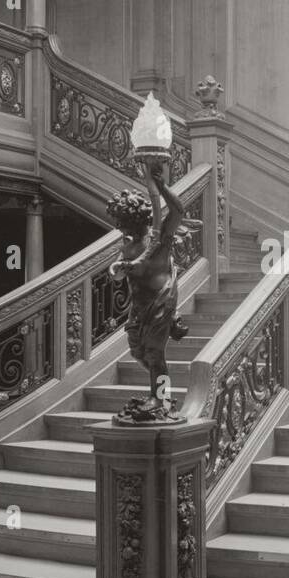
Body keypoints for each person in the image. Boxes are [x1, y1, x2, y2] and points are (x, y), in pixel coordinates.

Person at [106, 159, 191, 420]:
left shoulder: (159, 240)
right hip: (138, 309)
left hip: (159, 305)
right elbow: (124, 270)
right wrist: (117, 268)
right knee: (138, 353)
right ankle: (159, 393)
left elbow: (177, 211)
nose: (121, 226)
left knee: (155, 355)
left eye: (122, 220)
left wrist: (162, 188)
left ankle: (162, 400)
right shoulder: (129, 244)